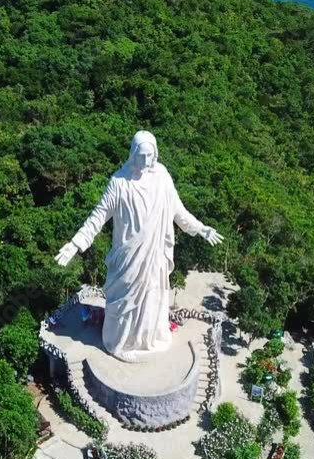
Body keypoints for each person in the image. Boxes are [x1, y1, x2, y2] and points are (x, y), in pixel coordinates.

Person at [54, 130, 223, 362]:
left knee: (152, 298)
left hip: (153, 256)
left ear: (155, 154)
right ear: (133, 154)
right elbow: (98, 216)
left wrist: (201, 229)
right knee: (123, 304)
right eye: (141, 156)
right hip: (128, 258)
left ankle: (147, 340)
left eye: (149, 156)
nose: (145, 161)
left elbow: (179, 212)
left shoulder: (163, 177)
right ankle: (122, 343)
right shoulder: (119, 183)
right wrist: (75, 243)